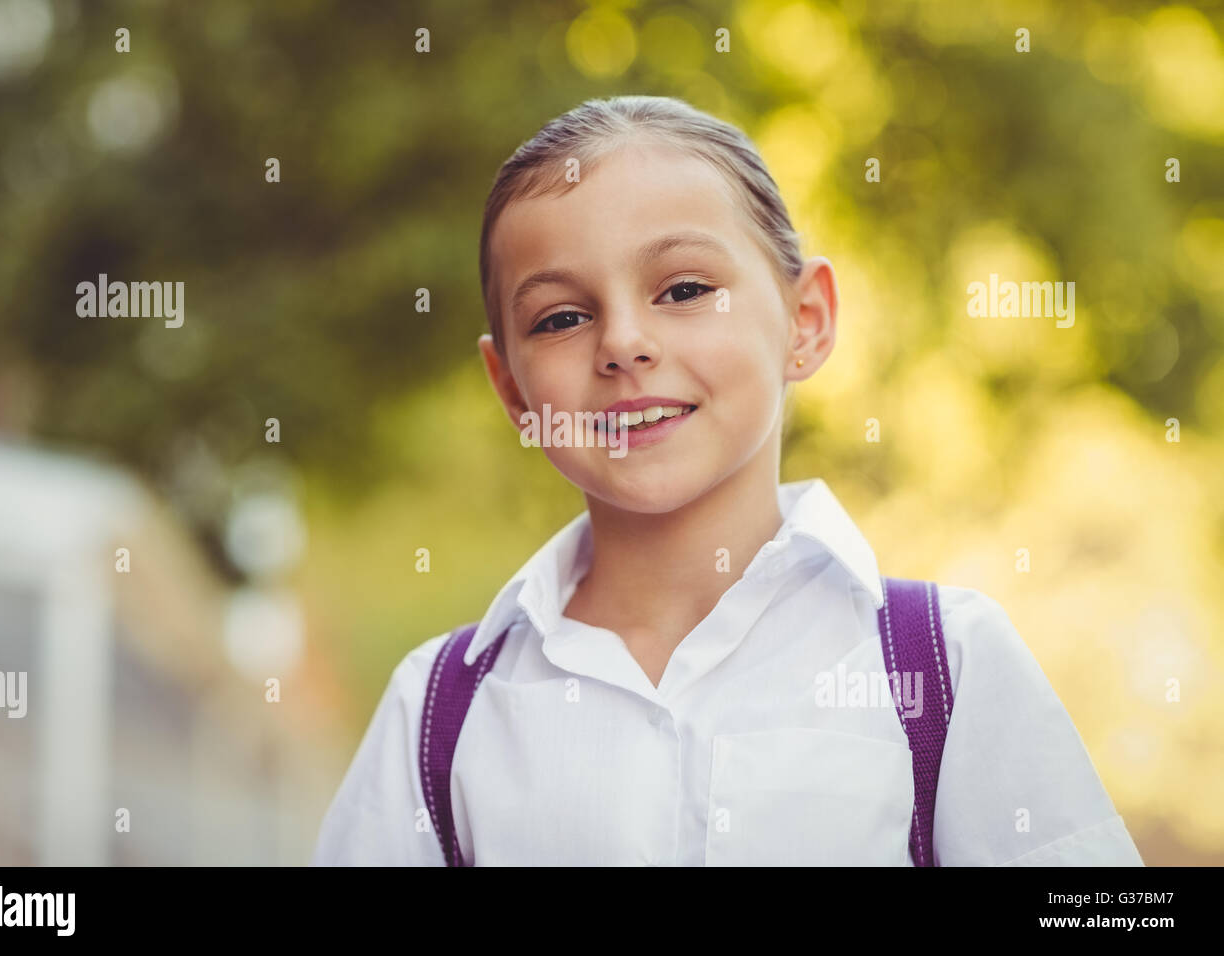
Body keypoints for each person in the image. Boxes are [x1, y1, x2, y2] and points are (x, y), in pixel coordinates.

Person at [311, 95, 1143, 866]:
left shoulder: (942, 663)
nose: (623, 344)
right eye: (562, 318)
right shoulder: (438, 714)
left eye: (684, 289)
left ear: (804, 322)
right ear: (511, 390)